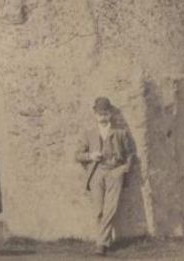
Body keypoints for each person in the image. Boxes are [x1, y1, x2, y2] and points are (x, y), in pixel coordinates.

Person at [75, 96, 135, 256]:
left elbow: (130, 154)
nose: (103, 116)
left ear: (110, 114)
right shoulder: (89, 133)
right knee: (98, 210)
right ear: (95, 114)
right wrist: (91, 156)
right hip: (97, 173)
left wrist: (124, 169)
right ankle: (103, 240)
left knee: (111, 208)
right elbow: (77, 155)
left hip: (115, 171)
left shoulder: (121, 133)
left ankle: (101, 244)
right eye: (100, 113)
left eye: (106, 113)